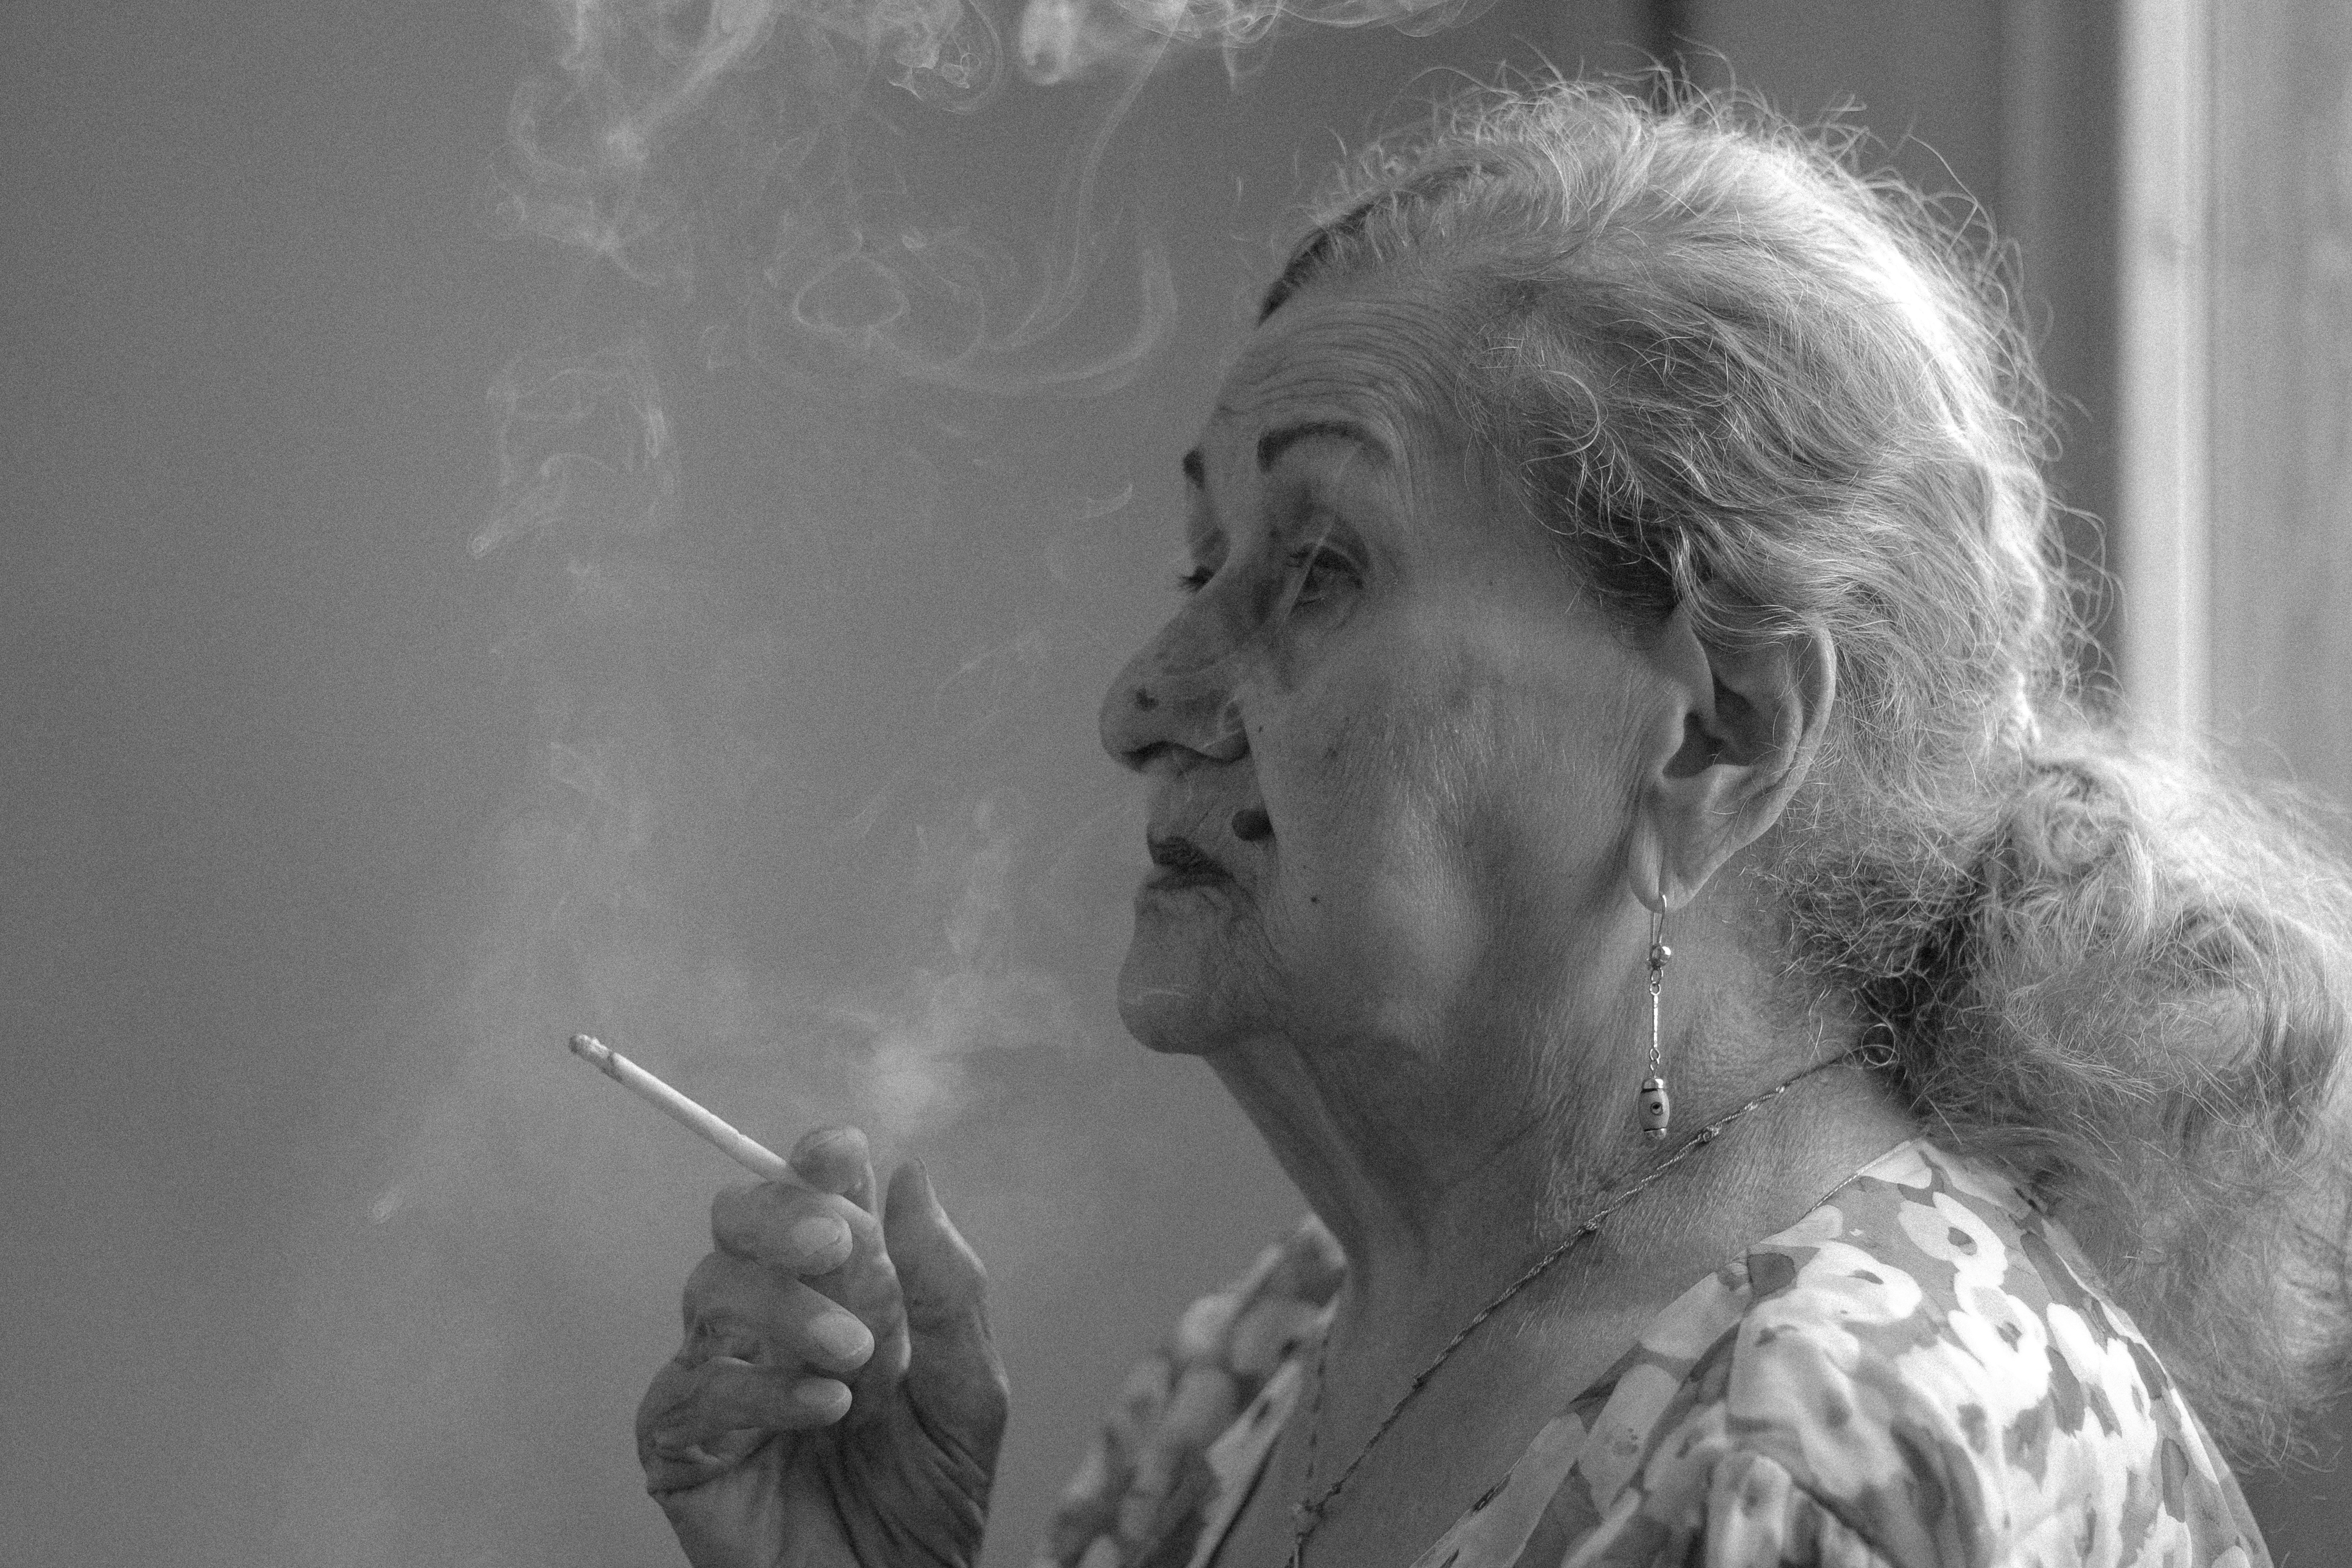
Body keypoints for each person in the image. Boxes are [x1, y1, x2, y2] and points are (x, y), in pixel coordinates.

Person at [627, 81, 2352, 1568]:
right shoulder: (1274, 1350)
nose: (1141, 701)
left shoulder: (1800, 1458)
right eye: (1201, 564)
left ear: (1719, 732)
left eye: (1316, 569)